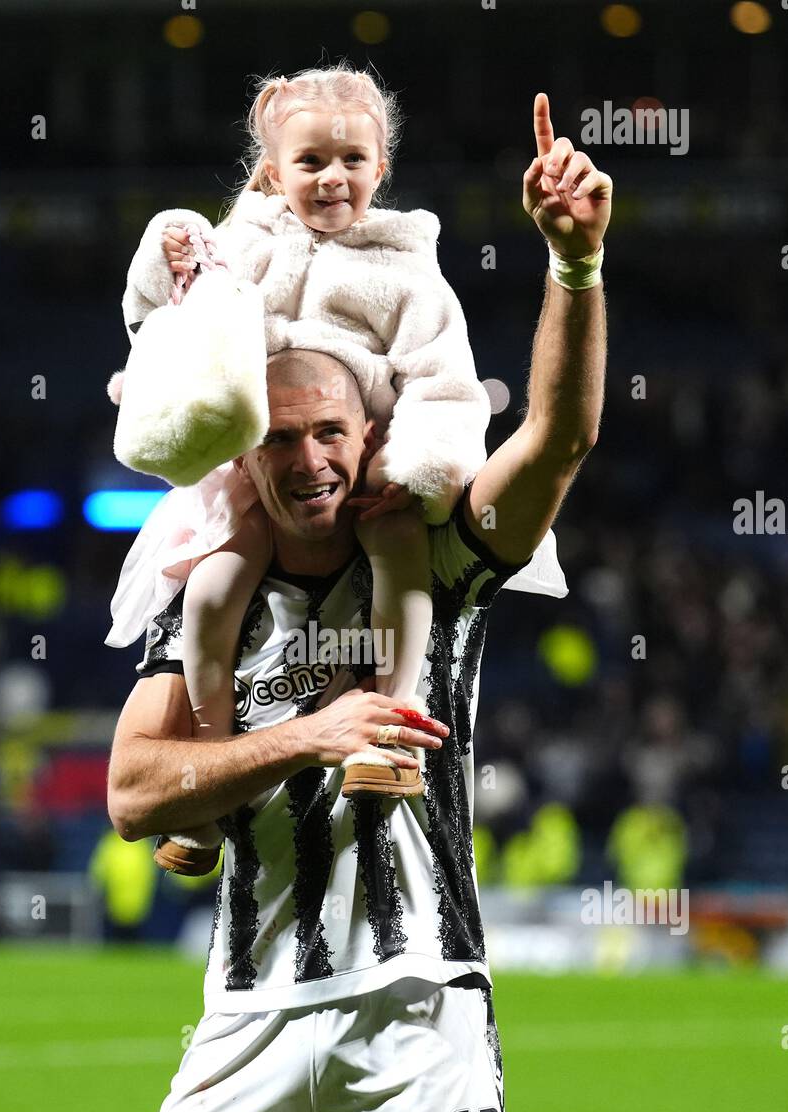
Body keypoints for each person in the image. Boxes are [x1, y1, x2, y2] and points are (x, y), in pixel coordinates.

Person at [106, 93, 611, 1112]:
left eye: (329, 431)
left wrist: (575, 265)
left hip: (414, 1004)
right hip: (246, 1008)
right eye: (278, 440)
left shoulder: (434, 554)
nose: (309, 459)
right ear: (242, 451)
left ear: (369, 427)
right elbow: (134, 791)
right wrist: (305, 737)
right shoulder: (201, 588)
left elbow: (555, 440)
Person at [107, 63, 493, 869]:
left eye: (353, 160)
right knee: (211, 588)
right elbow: (168, 320)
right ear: (272, 172)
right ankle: (205, 792)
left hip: (368, 467)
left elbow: (446, 382)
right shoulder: (244, 245)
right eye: (310, 161)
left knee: (399, 556)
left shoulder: (408, 269)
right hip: (252, 470)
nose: (332, 178)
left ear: (381, 168)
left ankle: (388, 729)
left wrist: (411, 470)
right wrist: (170, 254)